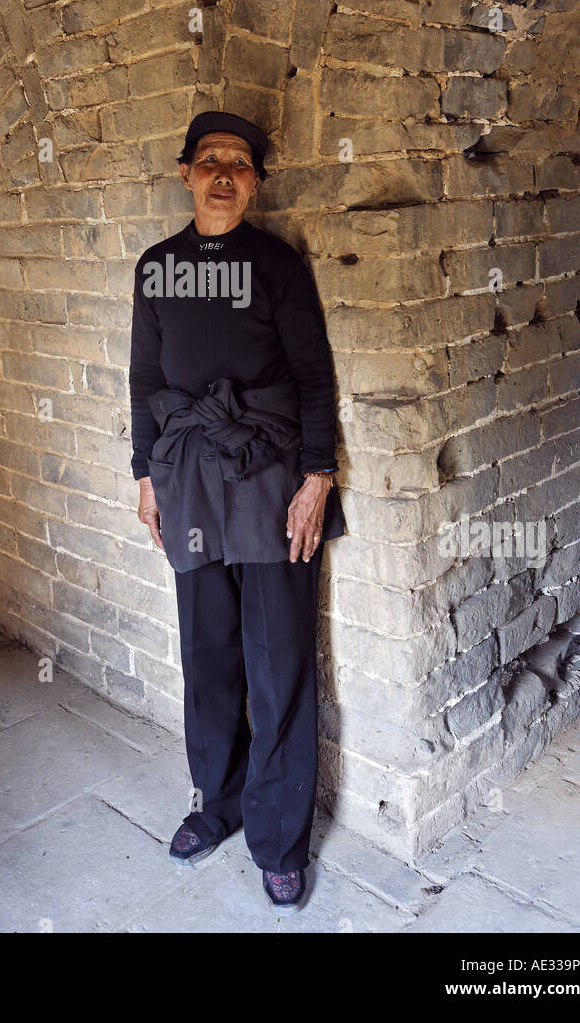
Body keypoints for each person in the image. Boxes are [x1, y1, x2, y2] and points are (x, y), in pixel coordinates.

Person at [128, 110, 344, 912]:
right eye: (209, 160)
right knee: (206, 653)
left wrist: (317, 477)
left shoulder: (278, 265)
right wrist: (145, 474)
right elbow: (145, 382)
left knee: (278, 657)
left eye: (240, 163)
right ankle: (214, 803)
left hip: (268, 474)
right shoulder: (156, 270)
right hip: (185, 476)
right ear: (185, 173)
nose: (224, 172)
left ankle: (278, 837)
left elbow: (315, 379)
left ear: (255, 182)